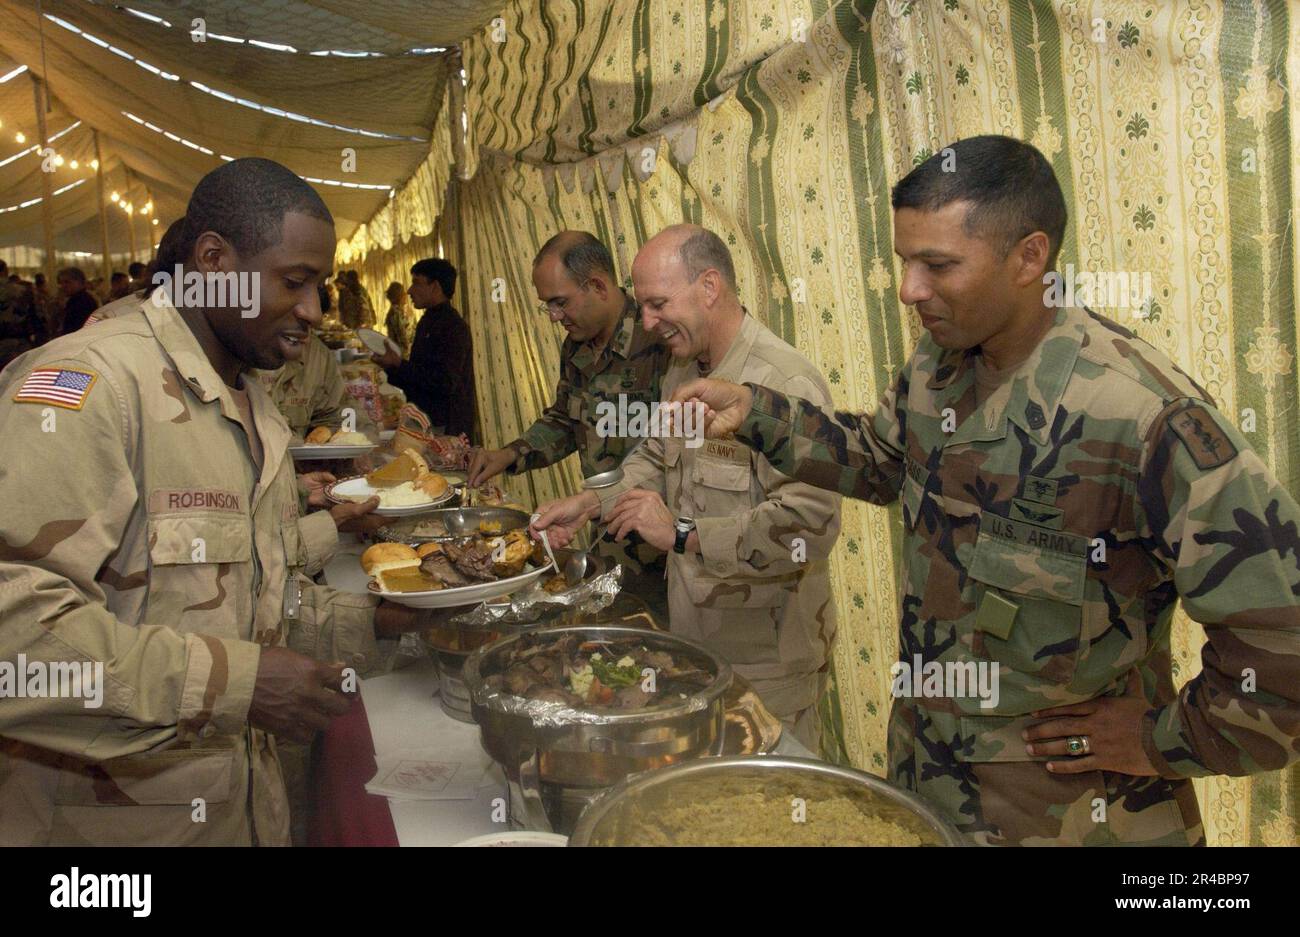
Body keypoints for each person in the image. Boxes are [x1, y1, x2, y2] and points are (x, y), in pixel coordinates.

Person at [672, 135, 1300, 846]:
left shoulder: (1145, 417)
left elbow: (1282, 646)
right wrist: (758, 413)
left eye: (938, 264)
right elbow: (883, 459)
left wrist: (1162, 736)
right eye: (905, 260)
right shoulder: (940, 364)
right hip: (931, 791)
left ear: (1029, 257)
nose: (909, 288)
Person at [0, 157, 431, 846]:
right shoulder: (88, 386)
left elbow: (248, 605)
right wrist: (239, 685)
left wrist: (387, 621)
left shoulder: (248, 403)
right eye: (294, 282)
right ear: (212, 259)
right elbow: (15, 643)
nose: (316, 311)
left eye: (318, 285)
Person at [531, 225, 842, 749]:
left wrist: (680, 532)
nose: (647, 322)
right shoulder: (684, 369)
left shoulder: (783, 384)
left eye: (656, 304)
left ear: (710, 287)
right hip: (695, 640)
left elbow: (809, 526)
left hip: (767, 663)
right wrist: (590, 503)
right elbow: (655, 454)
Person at [467, 231, 672, 616]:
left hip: (662, 550)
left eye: (560, 304)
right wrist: (511, 454)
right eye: (547, 307)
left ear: (597, 285)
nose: (554, 317)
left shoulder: (661, 340)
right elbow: (566, 418)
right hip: (604, 531)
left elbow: (678, 450)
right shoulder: (578, 345)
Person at [371, 257, 477, 439]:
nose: (410, 290)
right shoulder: (427, 321)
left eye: (416, 283)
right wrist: (391, 366)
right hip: (425, 422)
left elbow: (444, 382)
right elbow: (417, 380)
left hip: (444, 429)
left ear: (435, 286)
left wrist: (399, 365)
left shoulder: (453, 326)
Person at [55, 267, 98, 335]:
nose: (63, 286)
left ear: (79, 282)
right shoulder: (75, 300)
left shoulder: (83, 301)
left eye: (67, 282)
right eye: (61, 283)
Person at [383, 281, 414, 357]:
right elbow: (403, 337)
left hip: (400, 353)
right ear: (399, 296)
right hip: (403, 354)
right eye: (403, 293)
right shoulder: (396, 314)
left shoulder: (396, 312)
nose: (406, 295)